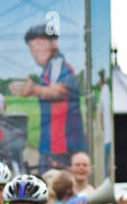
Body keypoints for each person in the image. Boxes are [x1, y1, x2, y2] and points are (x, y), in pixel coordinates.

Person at [7, 22, 85, 172]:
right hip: (52, 145)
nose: (36, 52)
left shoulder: (58, 66)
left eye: (40, 44)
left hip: (61, 146)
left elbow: (59, 91)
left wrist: (33, 89)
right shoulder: (49, 69)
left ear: (53, 43)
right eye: (32, 48)